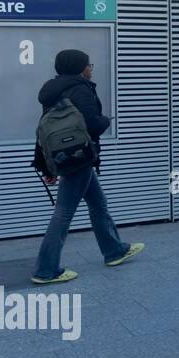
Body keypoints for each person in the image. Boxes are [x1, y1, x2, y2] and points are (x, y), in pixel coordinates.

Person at [30, 50, 144, 283]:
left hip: (67, 157)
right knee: (63, 212)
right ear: (79, 67)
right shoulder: (81, 88)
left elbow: (43, 130)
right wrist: (106, 120)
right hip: (79, 157)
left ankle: (114, 251)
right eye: (88, 64)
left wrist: (45, 166)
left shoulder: (52, 89)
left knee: (98, 204)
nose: (91, 68)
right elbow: (92, 124)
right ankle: (46, 270)